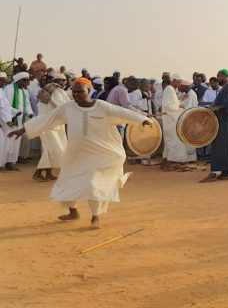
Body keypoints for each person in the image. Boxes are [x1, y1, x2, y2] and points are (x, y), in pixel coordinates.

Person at [8, 80, 151, 228]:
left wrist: (142, 119)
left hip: (99, 154)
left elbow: (122, 112)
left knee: (94, 184)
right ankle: (73, 211)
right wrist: (22, 130)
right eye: (74, 92)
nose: (76, 95)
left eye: (80, 91)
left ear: (88, 90)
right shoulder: (68, 108)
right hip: (75, 154)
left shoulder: (101, 106)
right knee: (66, 182)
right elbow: (47, 119)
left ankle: (95, 217)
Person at [199, 70, 228, 182]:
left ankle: (216, 172)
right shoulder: (227, 87)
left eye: (219, 76)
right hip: (224, 121)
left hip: (223, 122)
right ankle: (224, 172)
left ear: (225, 76)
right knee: (225, 147)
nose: (217, 78)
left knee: (219, 147)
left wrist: (220, 109)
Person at [32, 84, 68, 181]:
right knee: (51, 150)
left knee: (52, 150)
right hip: (48, 127)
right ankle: (38, 173)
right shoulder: (53, 94)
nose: (61, 83)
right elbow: (61, 106)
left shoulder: (52, 93)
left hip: (55, 126)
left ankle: (48, 173)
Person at [4, 72, 31, 171]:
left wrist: (30, 113)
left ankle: (11, 162)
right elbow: (5, 106)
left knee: (15, 143)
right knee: (8, 142)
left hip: (19, 120)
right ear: (18, 80)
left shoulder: (24, 91)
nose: (27, 82)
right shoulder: (9, 89)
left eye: (27, 80)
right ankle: (4, 162)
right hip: (9, 120)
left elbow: (27, 104)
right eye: (25, 80)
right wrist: (15, 112)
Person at [160, 74, 187, 169]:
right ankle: (169, 164)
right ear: (174, 80)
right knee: (174, 142)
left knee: (169, 142)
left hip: (171, 120)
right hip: (171, 120)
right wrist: (180, 107)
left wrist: (180, 102)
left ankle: (164, 163)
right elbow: (169, 107)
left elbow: (172, 103)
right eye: (179, 82)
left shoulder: (171, 90)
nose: (180, 84)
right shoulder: (169, 90)